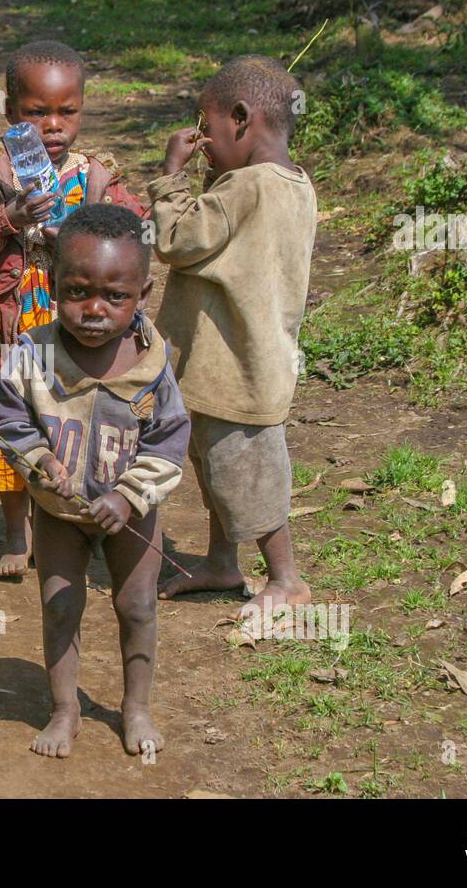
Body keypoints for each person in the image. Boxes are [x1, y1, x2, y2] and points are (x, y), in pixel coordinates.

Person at [0, 203, 190, 758]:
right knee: (59, 603)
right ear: (53, 284)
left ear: (143, 293)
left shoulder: (153, 362)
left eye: (115, 296)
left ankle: (136, 706)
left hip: (135, 517)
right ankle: (65, 708)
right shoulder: (33, 354)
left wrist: (129, 498)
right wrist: (41, 464)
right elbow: (9, 422)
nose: (94, 309)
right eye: (77, 291)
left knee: (138, 606)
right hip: (58, 514)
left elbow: (170, 441)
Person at [0, 39, 146, 579]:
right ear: (11, 111)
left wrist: (85, 231)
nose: (53, 125)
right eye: (37, 112)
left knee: (78, 423)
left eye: (67, 111)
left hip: (78, 326)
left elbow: (133, 234)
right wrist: (9, 217)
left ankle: (75, 525)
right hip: (10, 326)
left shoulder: (98, 176)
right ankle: (17, 533)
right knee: (6, 423)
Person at [148, 55, 317, 621]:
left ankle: (286, 579)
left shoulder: (243, 187)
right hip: (238, 364)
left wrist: (172, 174)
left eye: (207, 129)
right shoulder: (292, 183)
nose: (202, 144)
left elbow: (174, 240)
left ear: (241, 119)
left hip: (237, 370)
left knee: (246, 477)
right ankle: (223, 561)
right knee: (216, 468)